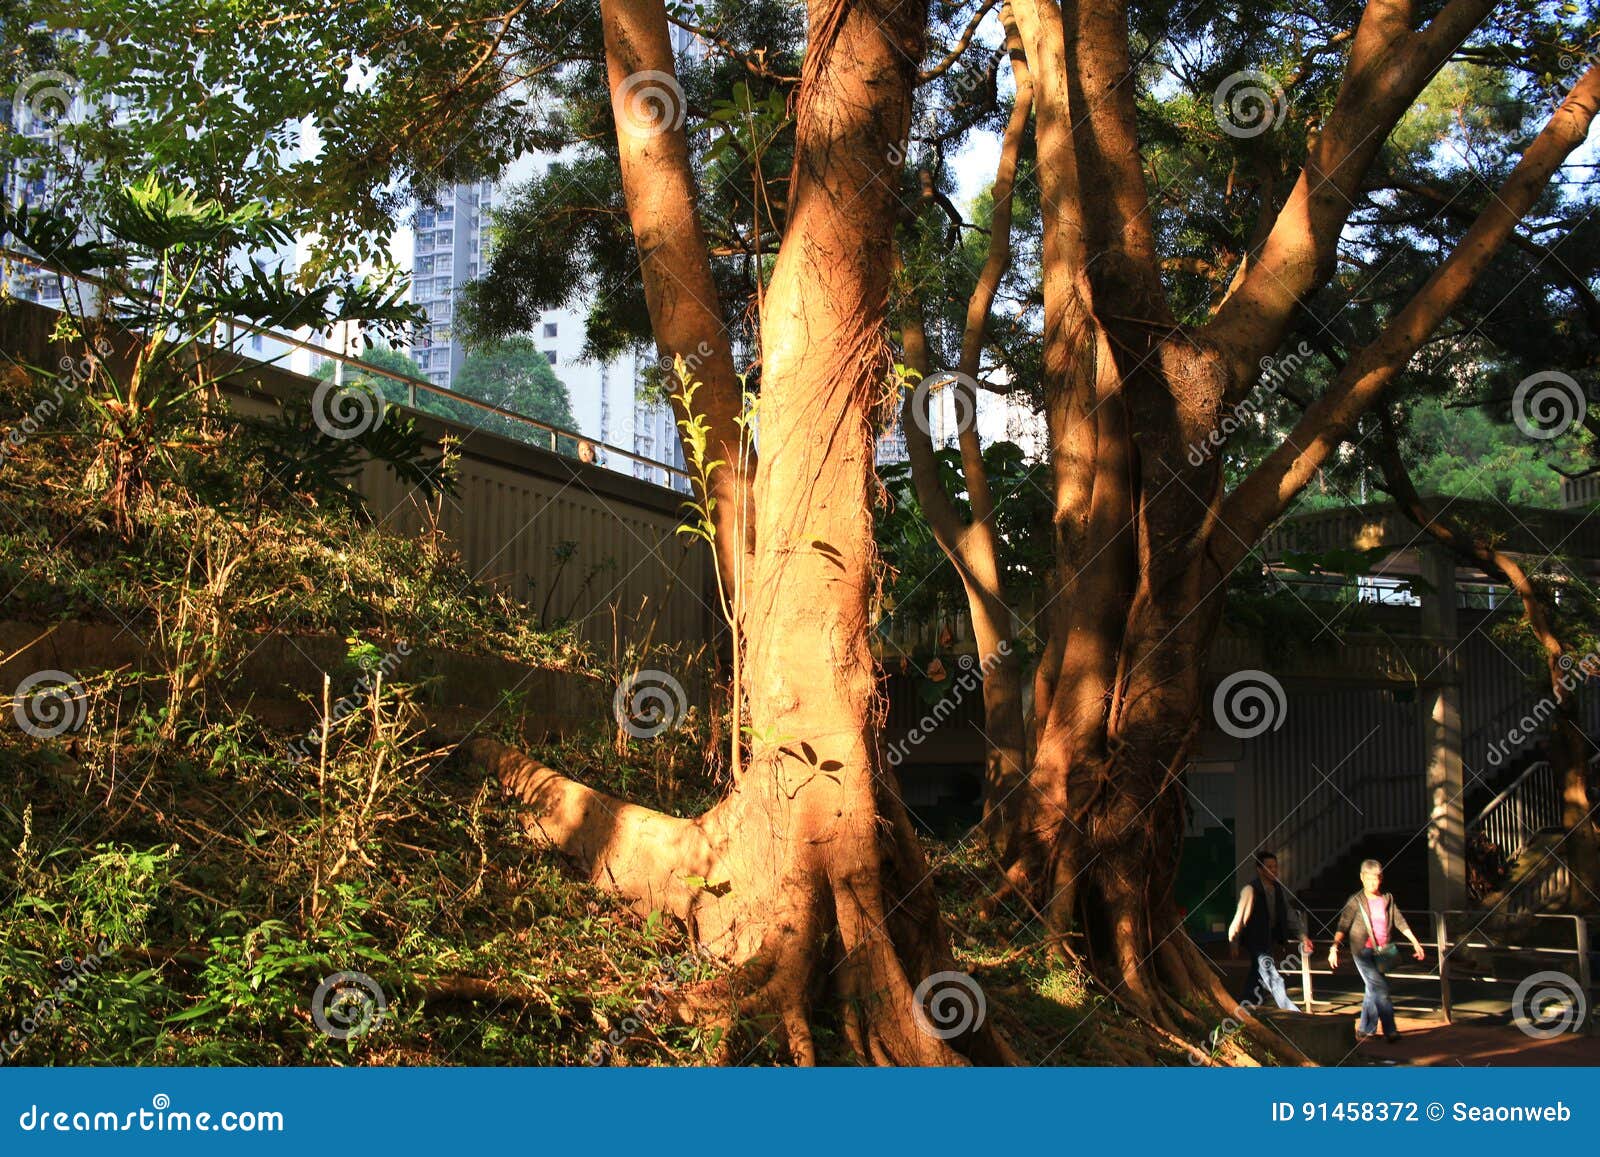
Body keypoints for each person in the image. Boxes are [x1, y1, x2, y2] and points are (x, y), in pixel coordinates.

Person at [1327, 859, 1426, 1042]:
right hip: (1362, 951)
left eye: (1377, 879)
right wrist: (1334, 947)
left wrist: (1415, 942)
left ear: (1381, 879)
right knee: (1380, 988)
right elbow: (1343, 925)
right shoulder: (1356, 901)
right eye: (1370, 879)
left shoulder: (1387, 898)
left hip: (1382, 951)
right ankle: (1390, 1030)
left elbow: (1399, 921)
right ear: (1362, 878)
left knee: (1372, 989)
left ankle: (1365, 1029)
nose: (1373, 883)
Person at [1228, 851, 1313, 1012]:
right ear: (1260, 870)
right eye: (1269, 867)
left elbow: (1288, 915)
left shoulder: (1277, 889)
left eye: (1275, 866)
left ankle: (1246, 1004)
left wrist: (1302, 936)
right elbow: (1239, 918)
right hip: (1256, 940)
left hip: (1268, 939)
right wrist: (1234, 940)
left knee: (1256, 975)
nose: (1273, 870)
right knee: (1271, 974)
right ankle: (1290, 1010)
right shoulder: (1251, 890)